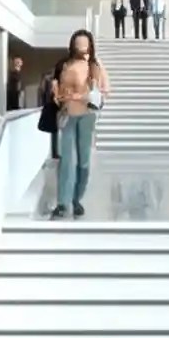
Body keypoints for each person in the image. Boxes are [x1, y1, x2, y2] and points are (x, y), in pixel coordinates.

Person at [51, 29, 109, 219]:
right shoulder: (64, 65)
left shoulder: (95, 65)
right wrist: (58, 96)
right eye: (78, 43)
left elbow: (104, 91)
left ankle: (77, 199)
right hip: (67, 115)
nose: (81, 47)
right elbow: (58, 91)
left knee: (84, 161)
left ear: (90, 45)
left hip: (87, 115)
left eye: (85, 43)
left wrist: (82, 96)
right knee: (67, 160)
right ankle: (62, 202)